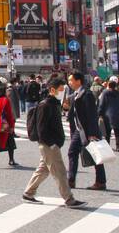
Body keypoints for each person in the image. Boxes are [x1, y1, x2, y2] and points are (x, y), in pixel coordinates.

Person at [21, 77, 85, 208]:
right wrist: (52, 144)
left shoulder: (54, 103)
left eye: (64, 90)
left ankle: (28, 193)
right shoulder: (45, 105)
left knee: (43, 170)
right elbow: (41, 128)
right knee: (60, 171)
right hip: (49, 144)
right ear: (52, 90)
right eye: (61, 90)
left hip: (51, 143)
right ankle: (69, 199)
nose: (63, 92)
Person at [65, 72, 107, 191]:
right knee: (73, 152)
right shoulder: (75, 94)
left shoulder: (86, 94)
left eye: (71, 80)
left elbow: (92, 115)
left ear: (78, 81)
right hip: (78, 130)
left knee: (94, 154)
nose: (69, 82)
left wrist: (93, 133)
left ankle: (100, 181)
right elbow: (74, 114)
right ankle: (71, 180)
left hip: (87, 130)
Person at [97, 78, 119, 151]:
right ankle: (118, 146)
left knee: (108, 131)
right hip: (117, 113)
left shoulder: (105, 92)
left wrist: (99, 113)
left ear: (108, 85)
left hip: (107, 114)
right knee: (117, 131)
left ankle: (108, 146)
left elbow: (101, 104)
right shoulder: (118, 93)